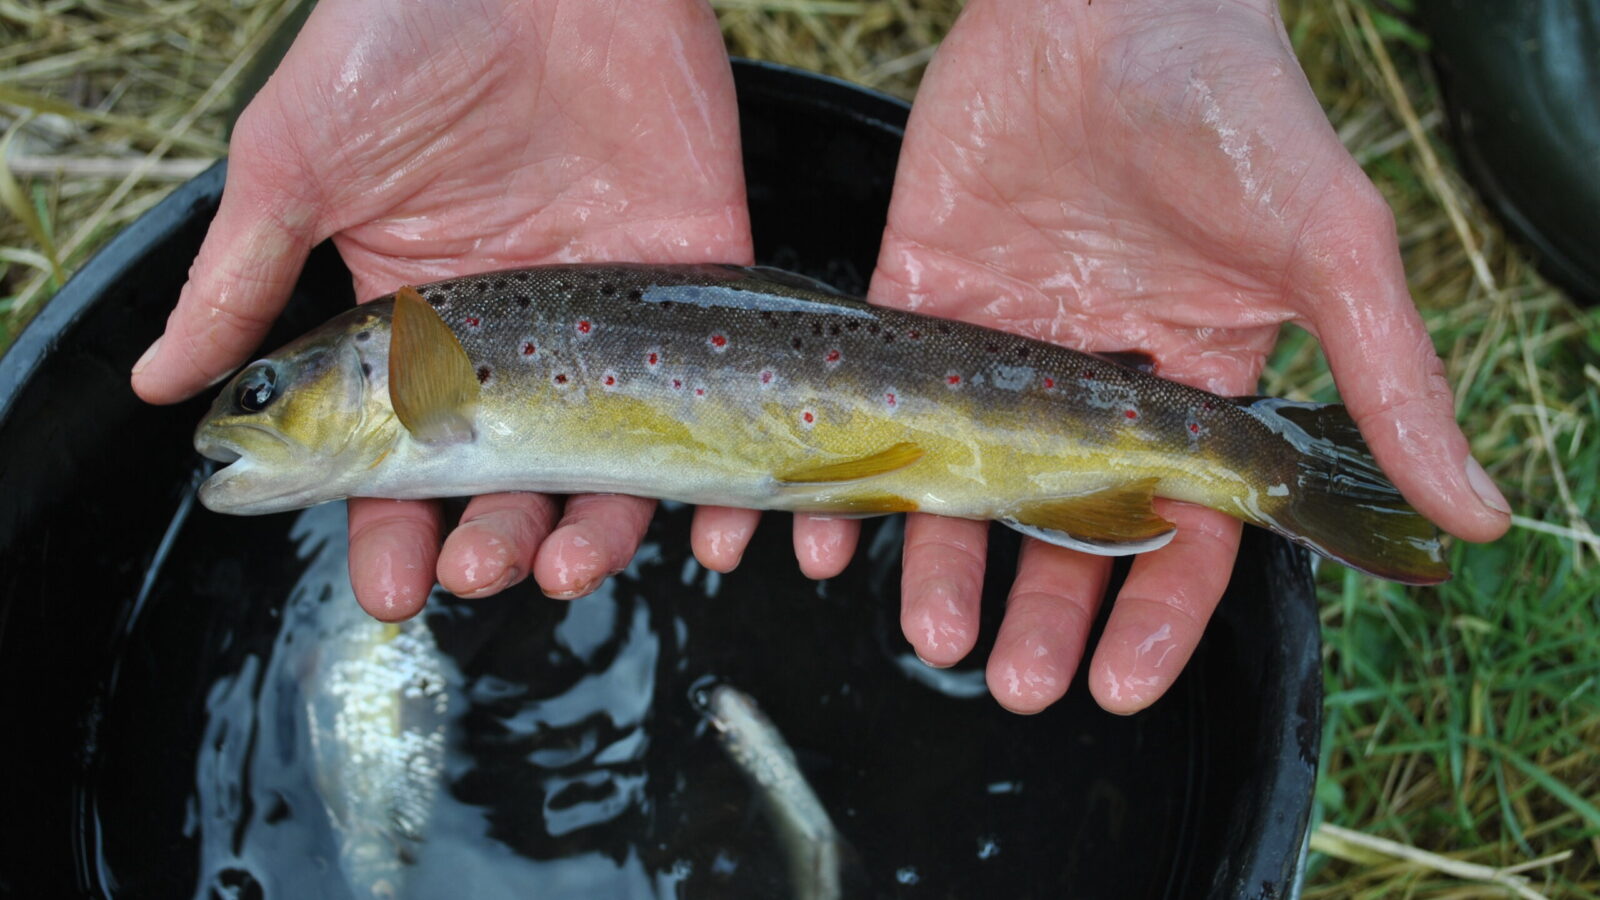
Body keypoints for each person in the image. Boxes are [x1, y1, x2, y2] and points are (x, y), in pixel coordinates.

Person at [130, 0, 1510, 716]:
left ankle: (1278, 453)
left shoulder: (420, 359)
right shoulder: (422, 381)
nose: (244, 420)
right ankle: (1261, 451)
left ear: (385, 367)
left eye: (266, 394)